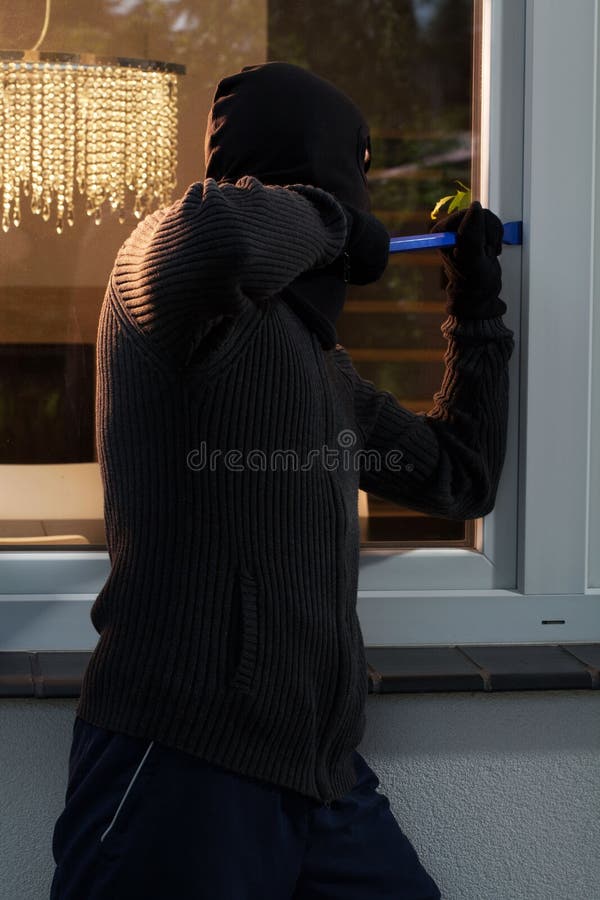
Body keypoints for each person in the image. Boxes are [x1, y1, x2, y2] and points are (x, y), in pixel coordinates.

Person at [49, 62, 515, 899]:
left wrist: (477, 314)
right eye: (350, 175)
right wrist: (339, 219)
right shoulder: (161, 276)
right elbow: (217, 234)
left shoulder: (323, 370)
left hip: (320, 774)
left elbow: (461, 479)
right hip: (182, 763)